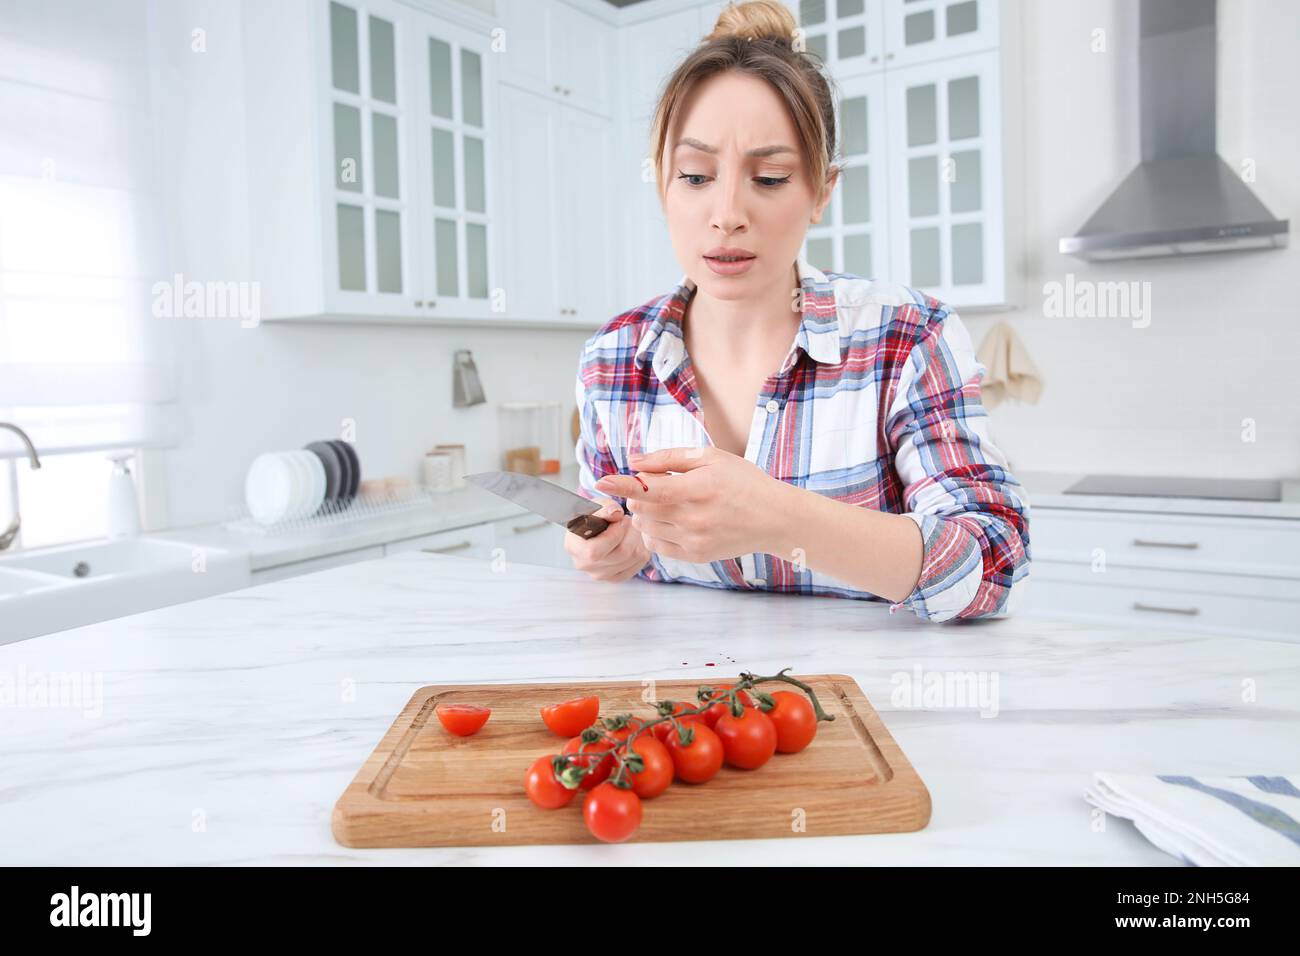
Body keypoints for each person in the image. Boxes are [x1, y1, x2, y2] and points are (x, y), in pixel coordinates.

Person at [566, 0, 1030, 623]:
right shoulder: (611, 358)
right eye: (696, 175)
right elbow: (604, 523)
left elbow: (994, 567)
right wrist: (604, 551)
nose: (727, 213)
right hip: (689, 709)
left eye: (772, 177)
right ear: (663, 186)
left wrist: (778, 517)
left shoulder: (907, 338)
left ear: (821, 191)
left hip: (866, 702)